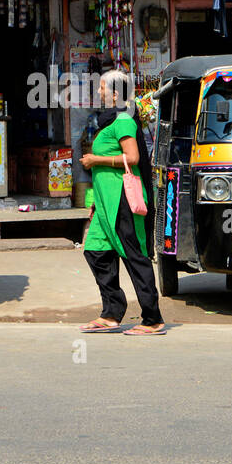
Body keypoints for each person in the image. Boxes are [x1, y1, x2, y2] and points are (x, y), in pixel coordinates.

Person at [79, 70, 166, 336]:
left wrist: (96, 160)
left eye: (103, 87)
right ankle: (111, 312)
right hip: (106, 204)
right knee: (95, 250)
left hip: (123, 202)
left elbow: (133, 157)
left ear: (116, 94)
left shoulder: (124, 120)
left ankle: (153, 319)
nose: (99, 92)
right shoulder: (108, 122)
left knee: (133, 256)